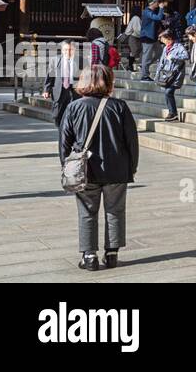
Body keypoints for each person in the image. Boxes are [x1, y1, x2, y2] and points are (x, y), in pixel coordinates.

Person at [58, 64, 138, 271]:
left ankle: (89, 256)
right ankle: (112, 254)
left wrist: (67, 167)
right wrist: (132, 167)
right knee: (115, 211)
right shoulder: (119, 106)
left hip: (86, 170)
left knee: (87, 211)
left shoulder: (74, 107)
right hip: (117, 169)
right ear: (108, 82)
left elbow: (64, 142)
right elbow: (132, 141)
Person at [42, 39, 81, 130]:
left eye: (70, 50)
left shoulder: (81, 60)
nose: (68, 52)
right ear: (62, 50)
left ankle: (71, 131)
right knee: (57, 115)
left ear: (74, 49)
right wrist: (46, 90)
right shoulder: (55, 60)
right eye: (65, 50)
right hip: (59, 90)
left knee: (75, 113)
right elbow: (50, 76)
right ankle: (61, 129)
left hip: (75, 90)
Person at [152, 29, 188, 120]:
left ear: (168, 38)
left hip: (175, 75)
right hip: (166, 75)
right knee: (167, 93)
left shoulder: (178, 47)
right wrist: (157, 75)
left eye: (163, 39)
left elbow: (186, 56)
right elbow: (161, 62)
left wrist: (174, 57)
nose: (162, 41)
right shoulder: (165, 48)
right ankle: (172, 112)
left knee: (168, 92)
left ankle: (172, 113)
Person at [137, 0, 164, 80]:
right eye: (157, 2)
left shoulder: (151, 12)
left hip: (153, 37)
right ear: (152, 3)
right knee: (147, 56)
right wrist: (161, 9)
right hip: (147, 37)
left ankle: (144, 65)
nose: (158, 3)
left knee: (160, 52)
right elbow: (158, 18)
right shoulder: (147, 12)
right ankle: (144, 75)